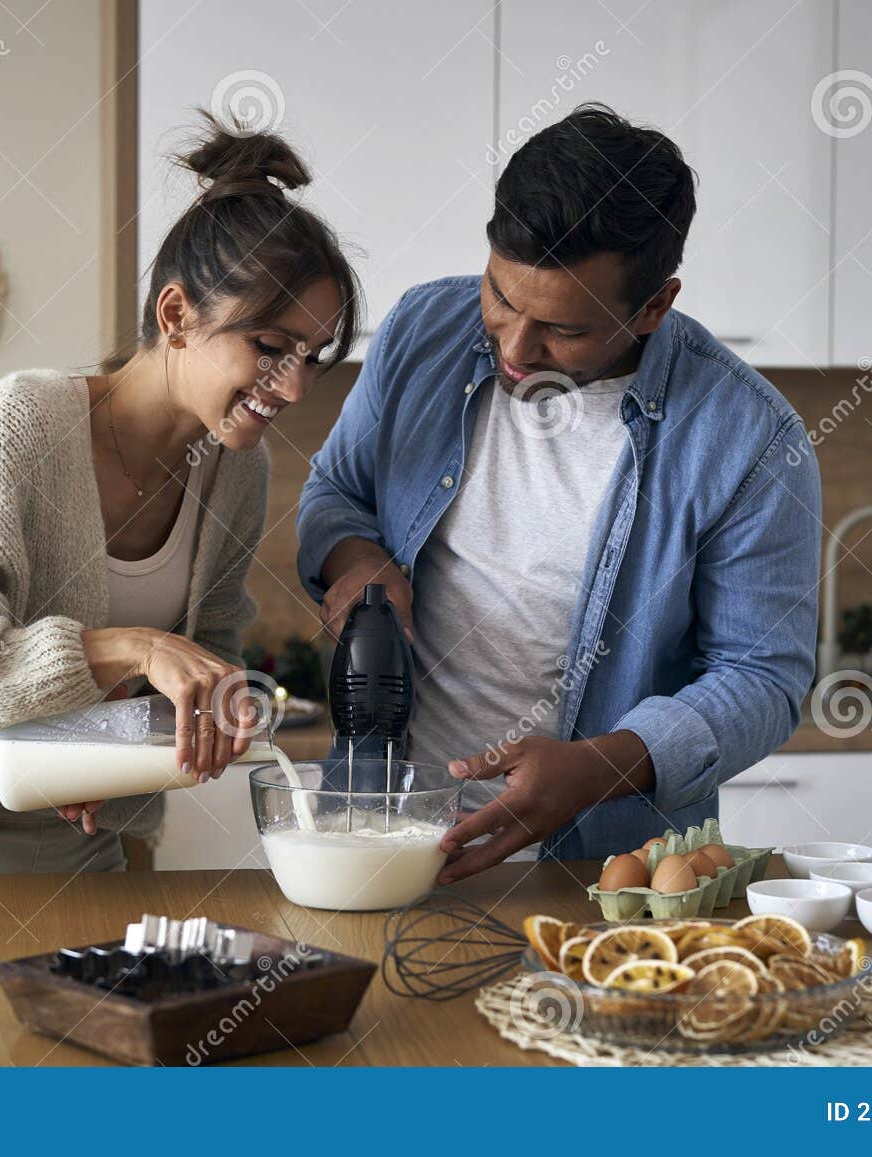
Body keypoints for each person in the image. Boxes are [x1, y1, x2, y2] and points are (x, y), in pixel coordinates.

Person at [297, 104, 820, 883]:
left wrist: (598, 768)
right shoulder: (422, 330)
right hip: (379, 831)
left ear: (654, 306)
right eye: (502, 297)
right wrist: (356, 557)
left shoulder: (751, 439)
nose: (514, 347)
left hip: (602, 870)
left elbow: (764, 676)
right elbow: (336, 489)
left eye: (563, 330)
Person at [0, 115, 360, 876]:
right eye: (272, 348)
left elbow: (206, 649)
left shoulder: (235, 470)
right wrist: (127, 647)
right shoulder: (20, 430)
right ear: (176, 315)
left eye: (313, 355)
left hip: (81, 845)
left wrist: (162, 728)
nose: (298, 384)